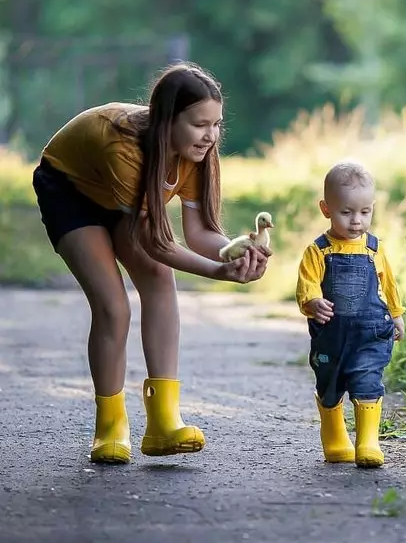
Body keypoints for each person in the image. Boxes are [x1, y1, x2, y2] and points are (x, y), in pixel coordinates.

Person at [32, 62, 270, 464]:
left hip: (122, 197)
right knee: (113, 306)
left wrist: (235, 251)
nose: (211, 136)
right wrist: (216, 273)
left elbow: (198, 234)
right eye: (199, 124)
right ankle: (110, 426)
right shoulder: (122, 147)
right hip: (70, 190)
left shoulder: (194, 153)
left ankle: (162, 422)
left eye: (216, 124)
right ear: (167, 120)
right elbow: (157, 242)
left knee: (160, 279)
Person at [295, 160, 405, 468]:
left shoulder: (374, 248)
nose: (356, 220)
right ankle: (334, 435)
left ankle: (368, 441)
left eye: (365, 212)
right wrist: (313, 302)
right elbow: (306, 284)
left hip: (370, 333)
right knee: (330, 385)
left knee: (369, 380)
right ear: (326, 209)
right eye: (346, 212)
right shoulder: (318, 250)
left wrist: (396, 314)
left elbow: (389, 283)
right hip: (331, 335)